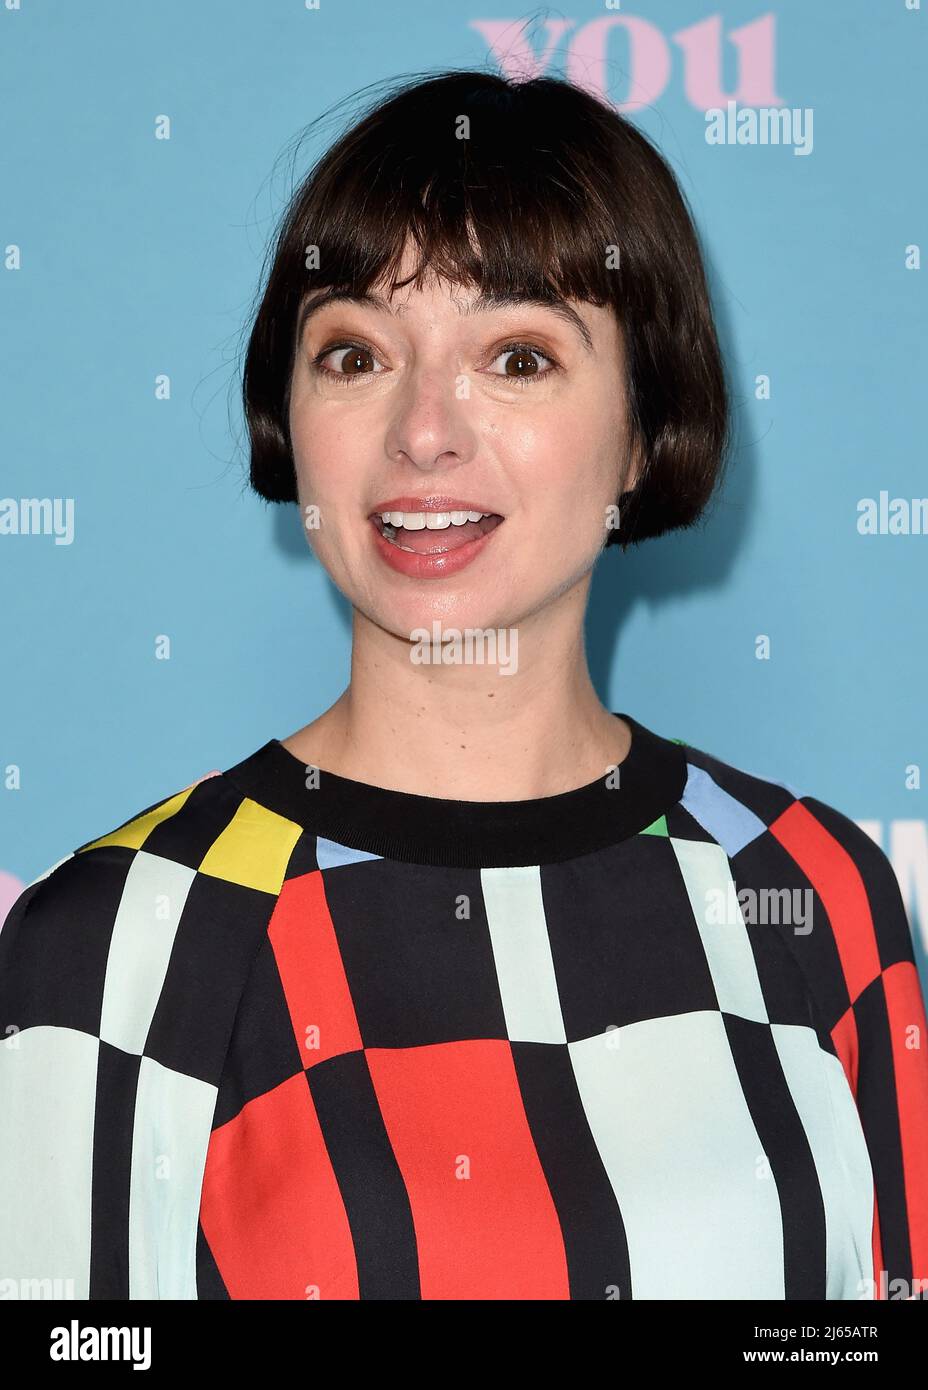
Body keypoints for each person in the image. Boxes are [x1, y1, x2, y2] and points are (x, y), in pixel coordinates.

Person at [2, 69, 926, 1302]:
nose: (423, 430)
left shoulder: (809, 889)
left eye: (519, 356)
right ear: (290, 414)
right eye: (354, 352)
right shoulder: (121, 938)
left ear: (646, 429)